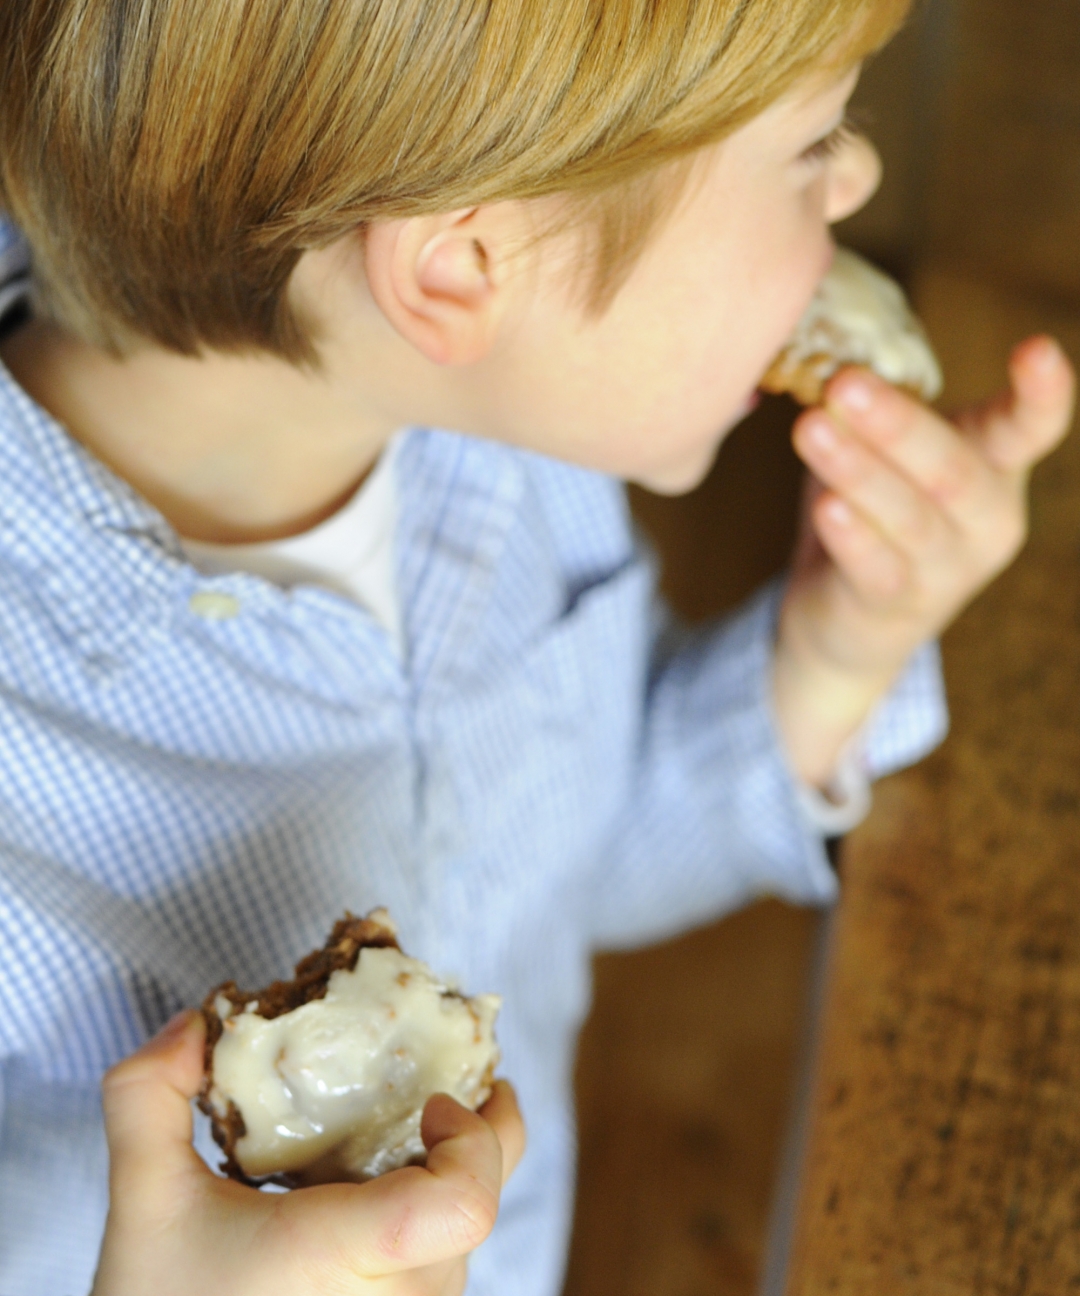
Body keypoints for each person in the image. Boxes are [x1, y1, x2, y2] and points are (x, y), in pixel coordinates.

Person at [0, 0, 1074, 1291]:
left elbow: (552, 865)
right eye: (811, 145)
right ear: (463, 271)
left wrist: (830, 659)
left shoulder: (507, 448)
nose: (861, 177)